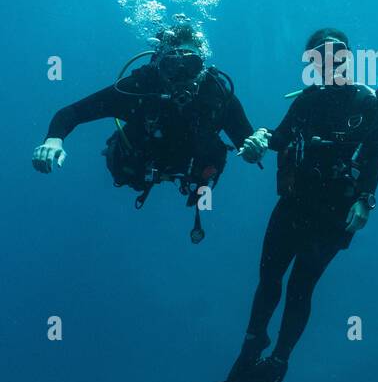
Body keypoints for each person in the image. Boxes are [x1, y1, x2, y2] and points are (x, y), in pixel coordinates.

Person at [180, 28, 378, 382]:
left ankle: (281, 356)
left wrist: (366, 201)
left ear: (349, 58)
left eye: (337, 54)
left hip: (334, 214)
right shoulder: (306, 101)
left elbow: (376, 158)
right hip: (294, 205)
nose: (329, 61)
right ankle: (253, 339)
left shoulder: (369, 106)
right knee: (269, 278)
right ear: (310, 62)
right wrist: (259, 140)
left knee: (302, 285)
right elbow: (279, 139)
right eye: (319, 56)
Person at [32, 17, 254, 242]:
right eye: (172, 65)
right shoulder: (138, 90)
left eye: (191, 66)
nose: (181, 76)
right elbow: (71, 113)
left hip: (193, 165)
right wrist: (53, 139)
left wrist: (256, 145)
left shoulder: (216, 95)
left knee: (213, 154)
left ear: (203, 68)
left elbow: (247, 139)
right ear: (159, 65)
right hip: (141, 163)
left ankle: (199, 185)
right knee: (123, 160)